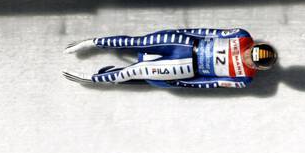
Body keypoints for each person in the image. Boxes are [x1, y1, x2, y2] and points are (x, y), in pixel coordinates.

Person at [63, 27, 277, 89]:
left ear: (257, 67)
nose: (247, 56)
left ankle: (91, 78)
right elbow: (206, 32)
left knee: (134, 71)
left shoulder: (244, 78)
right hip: (184, 43)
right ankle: (92, 42)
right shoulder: (240, 36)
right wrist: (180, 32)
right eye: (252, 51)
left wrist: (181, 83)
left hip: (184, 69)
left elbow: (210, 83)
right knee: (137, 42)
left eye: (252, 59)